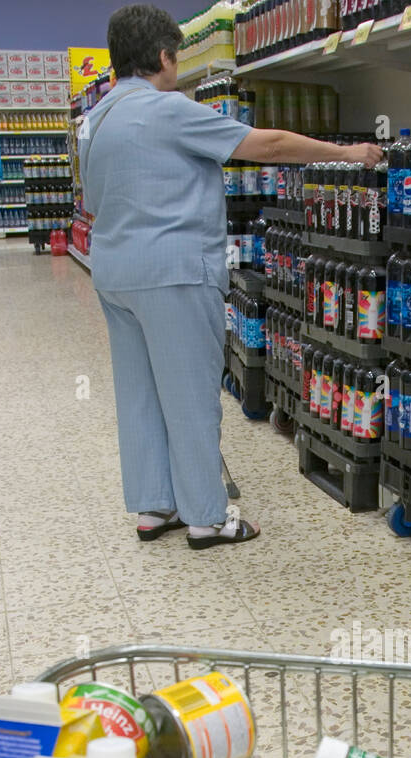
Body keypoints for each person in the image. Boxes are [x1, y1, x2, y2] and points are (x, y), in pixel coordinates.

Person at [80, 4, 382, 549]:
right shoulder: (166, 109)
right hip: (173, 272)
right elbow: (263, 145)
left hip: (116, 273)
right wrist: (347, 152)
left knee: (140, 390)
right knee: (191, 391)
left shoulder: (96, 119)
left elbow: (94, 199)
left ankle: (156, 507)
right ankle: (207, 516)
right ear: (163, 57)